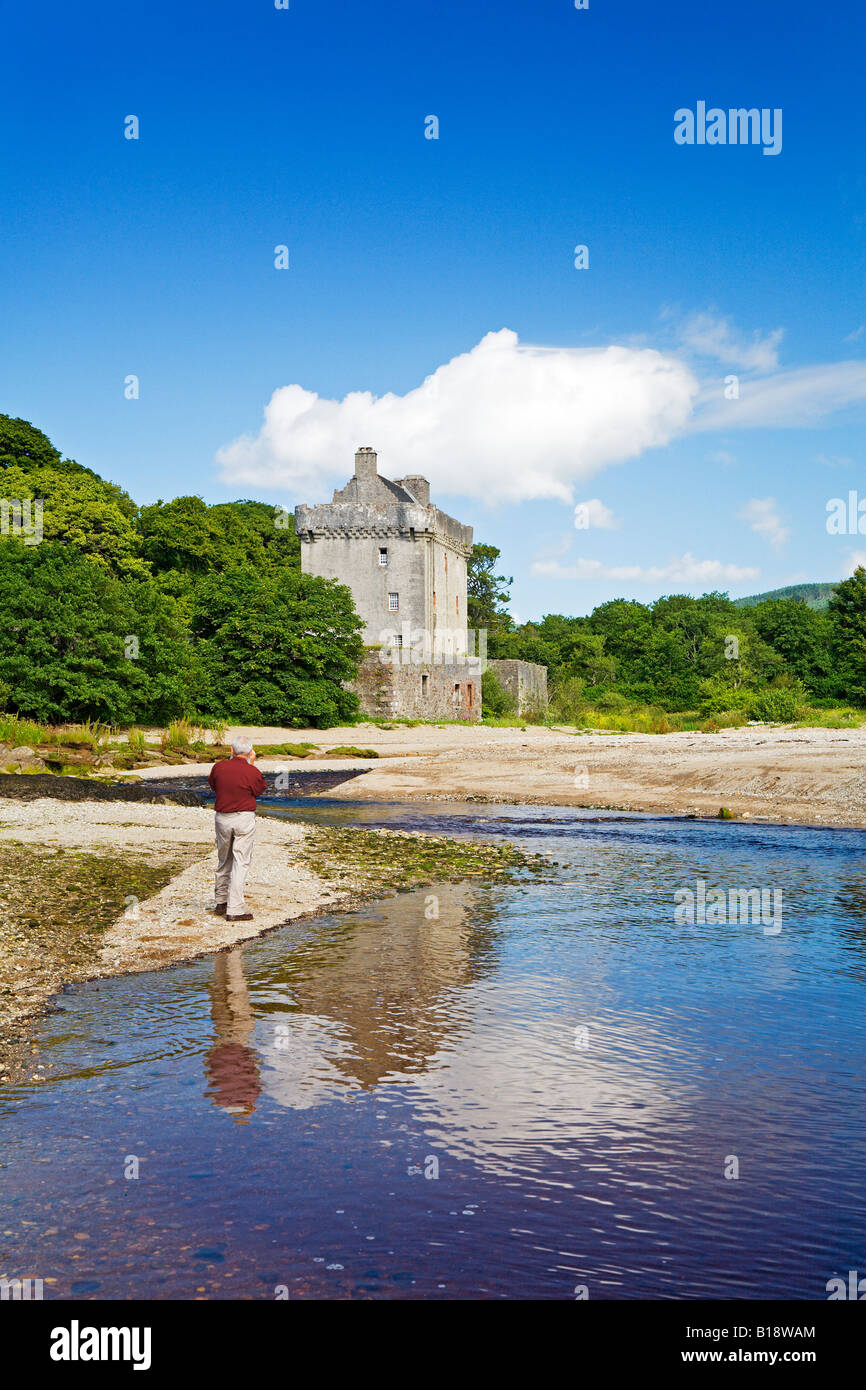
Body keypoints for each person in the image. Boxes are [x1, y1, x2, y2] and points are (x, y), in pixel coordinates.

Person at [208, 735, 268, 922]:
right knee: (241, 861)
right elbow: (259, 790)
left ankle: (220, 902)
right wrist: (251, 763)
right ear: (250, 752)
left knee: (223, 858)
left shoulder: (219, 767)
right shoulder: (252, 771)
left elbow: (213, 786)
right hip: (243, 817)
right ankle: (235, 909)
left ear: (232, 751)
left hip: (222, 817)